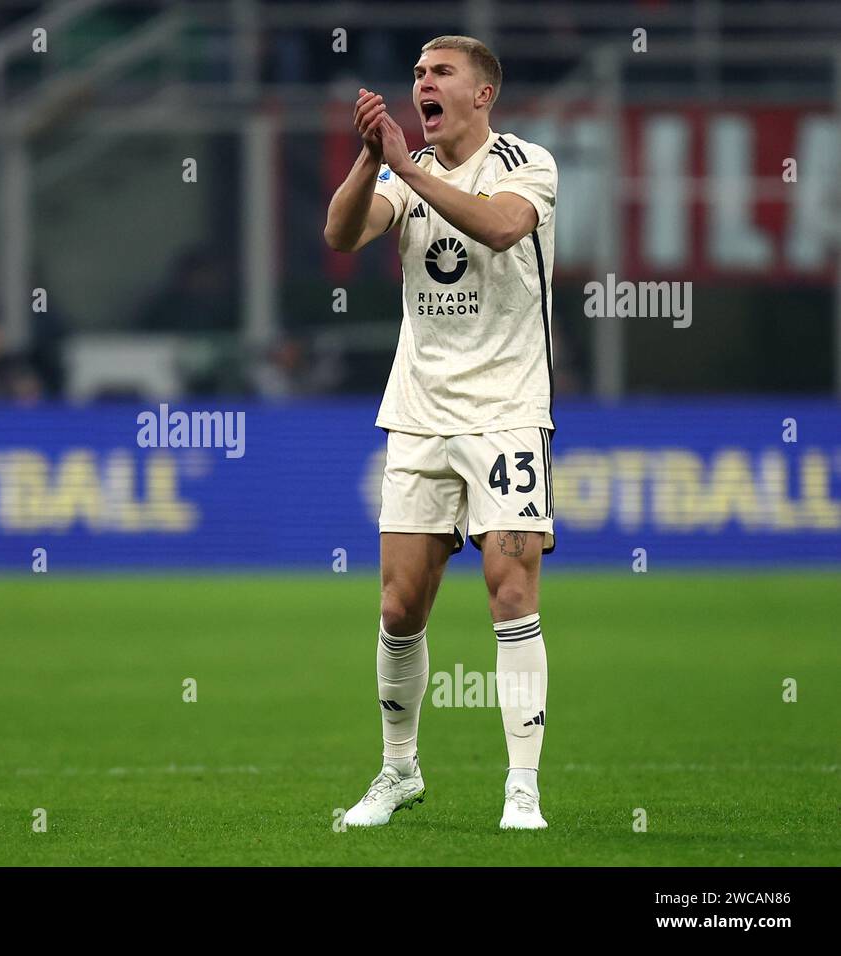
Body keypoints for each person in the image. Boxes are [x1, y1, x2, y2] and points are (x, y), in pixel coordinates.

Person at [324, 36, 558, 830]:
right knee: (398, 608)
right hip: (420, 412)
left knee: (512, 590)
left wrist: (409, 167)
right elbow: (342, 235)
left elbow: (498, 228)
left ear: (482, 93)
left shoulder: (530, 163)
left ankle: (521, 787)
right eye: (418, 73)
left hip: (507, 410)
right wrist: (368, 160)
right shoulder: (397, 167)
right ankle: (397, 771)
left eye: (440, 72)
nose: (422, 82)